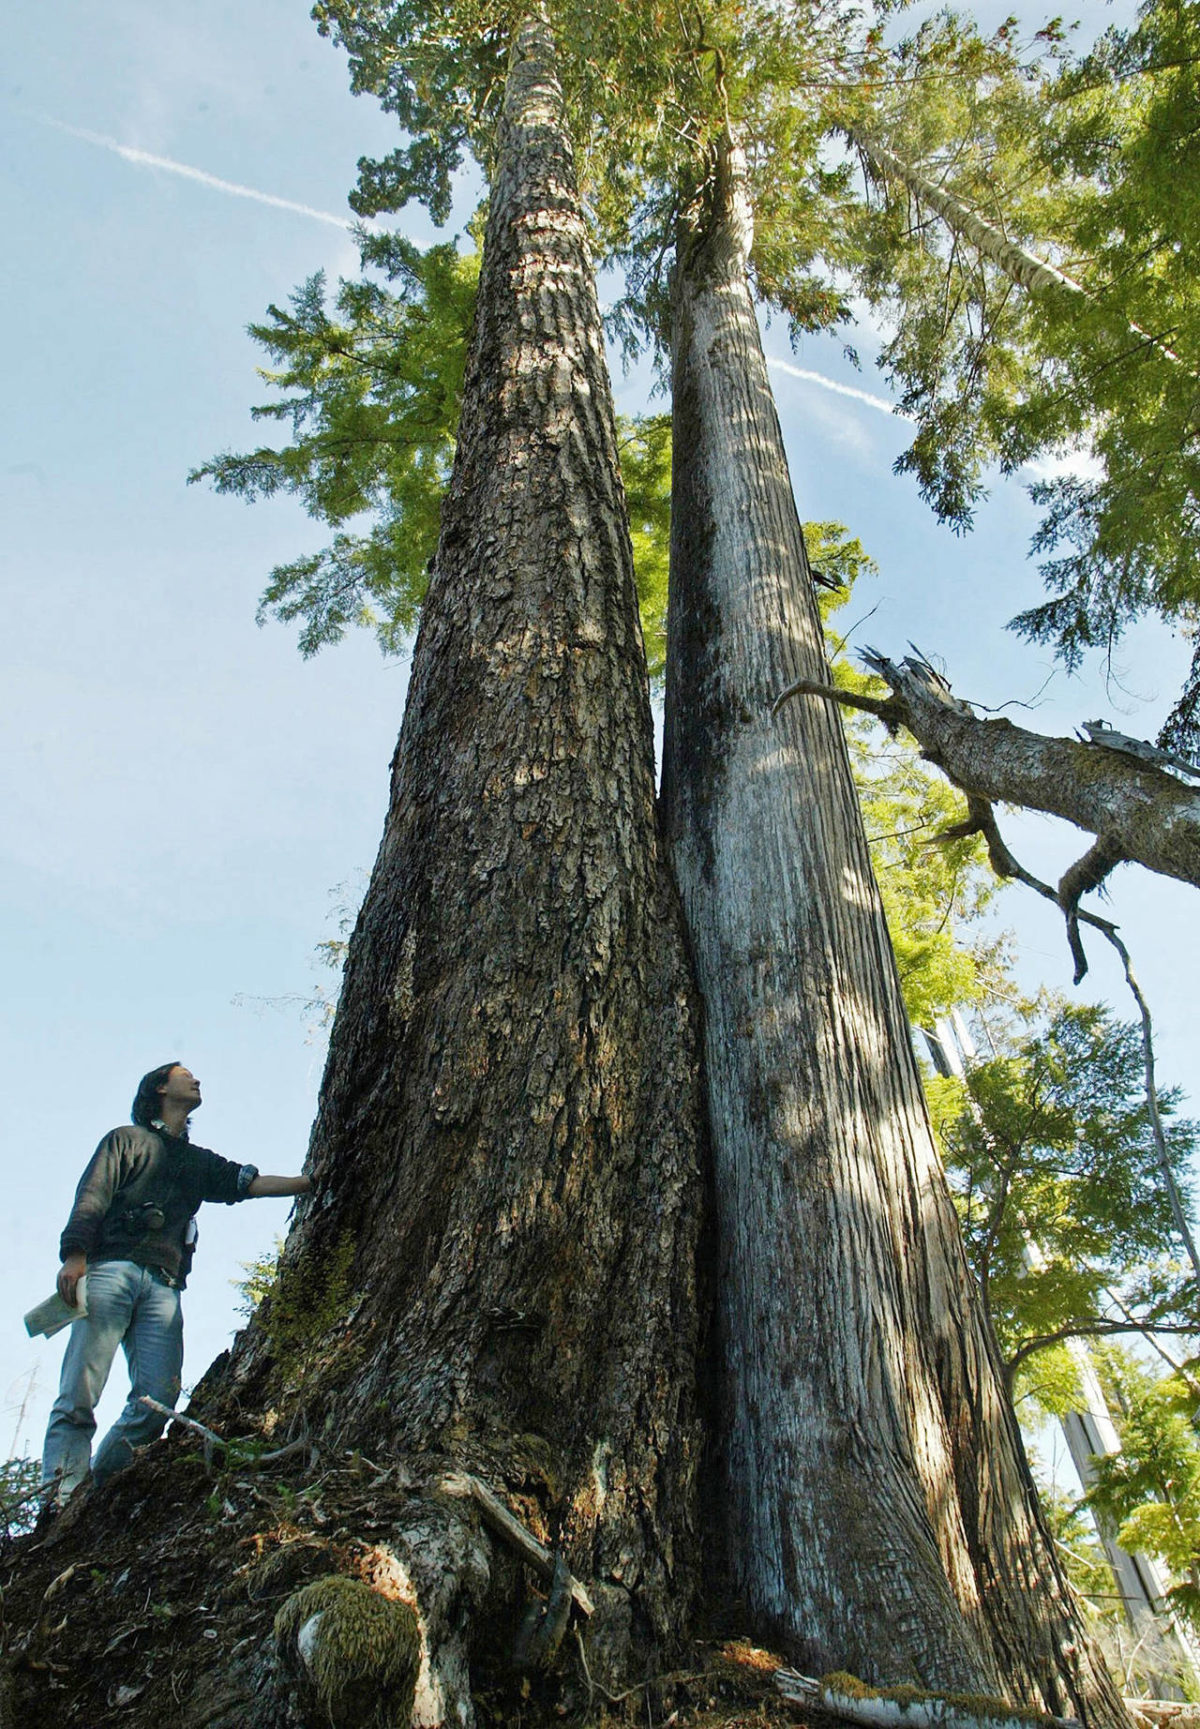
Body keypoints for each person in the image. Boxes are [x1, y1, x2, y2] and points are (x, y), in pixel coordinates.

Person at [41, 1061, 311, 1504]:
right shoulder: (125, 1141)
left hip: (164, 1288)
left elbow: (251, 1183)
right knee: (78, 1393)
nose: (197, 1079)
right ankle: (59, 1497)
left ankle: (94, 1490)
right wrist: (75, 1256)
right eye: (185, 1074)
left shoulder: (196, 1161)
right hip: (110, 1271)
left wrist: (312, 1181)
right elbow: (92, 1195)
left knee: (159, 1398)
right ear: (161, 1088)